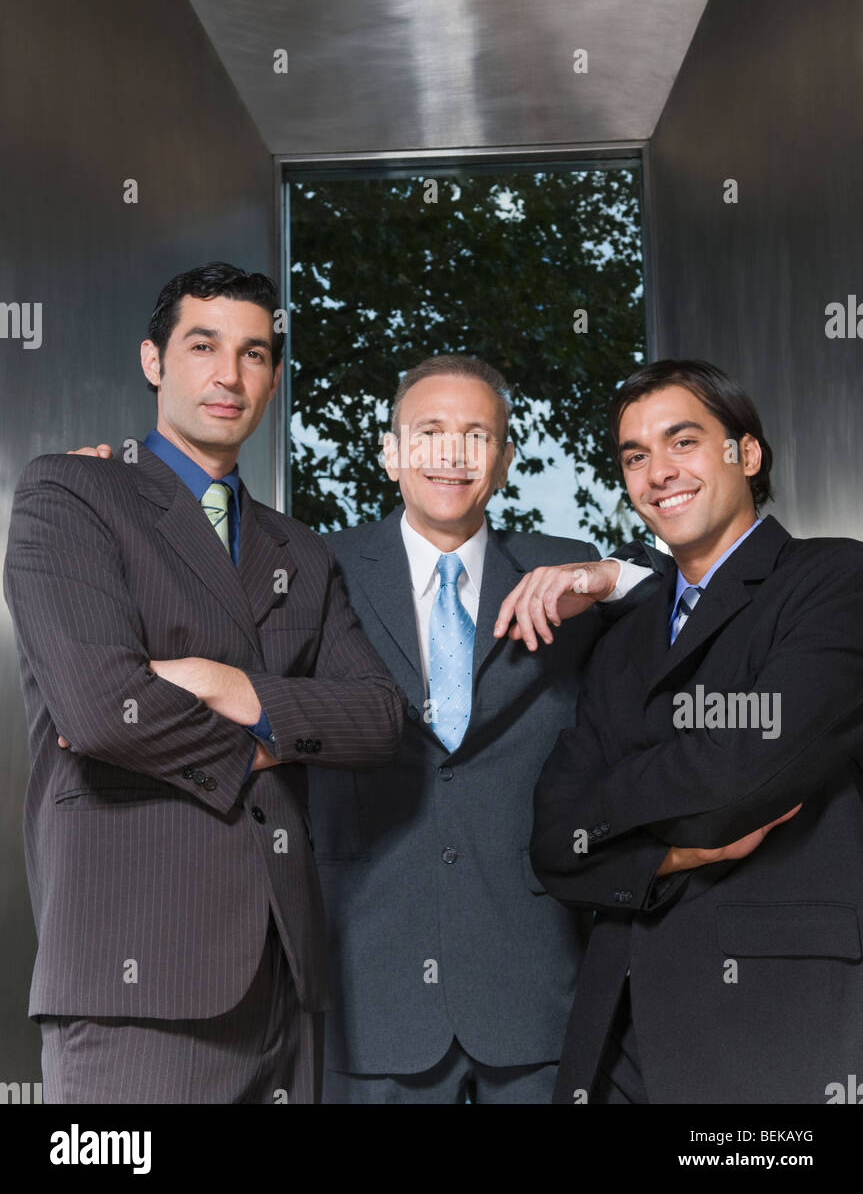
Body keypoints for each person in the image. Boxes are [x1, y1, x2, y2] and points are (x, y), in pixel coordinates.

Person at [3, 262, 405, 1104]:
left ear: (274, 376)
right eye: (203, 346)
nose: (229, 375)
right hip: (137, 972)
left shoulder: (301, 549)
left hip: (284, 976)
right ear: (153, 361)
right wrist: (277, 743)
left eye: (254, 354)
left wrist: (233, 687)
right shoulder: (72, 493)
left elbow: (376, 717)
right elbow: (100, 712)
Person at [307, 354, 664, 1103]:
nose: (451, 452)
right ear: (390, 451)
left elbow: (695, 593)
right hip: (367, 983)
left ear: (503, 459)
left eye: (477, 434)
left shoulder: (561, 570)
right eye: (429, 430)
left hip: (533, 985)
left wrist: (604, 575)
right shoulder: (316, 568)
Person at [530, 358, 863, 1104]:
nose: (657, 473)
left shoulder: (834, 582)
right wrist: (676, 850)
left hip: (768, 1027)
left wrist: (610, 807)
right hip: (613, 1032)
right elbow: (553, 840)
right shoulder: (622, 636)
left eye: (681, 442)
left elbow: (736, 782)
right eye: (635, 456)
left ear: (744, 454)